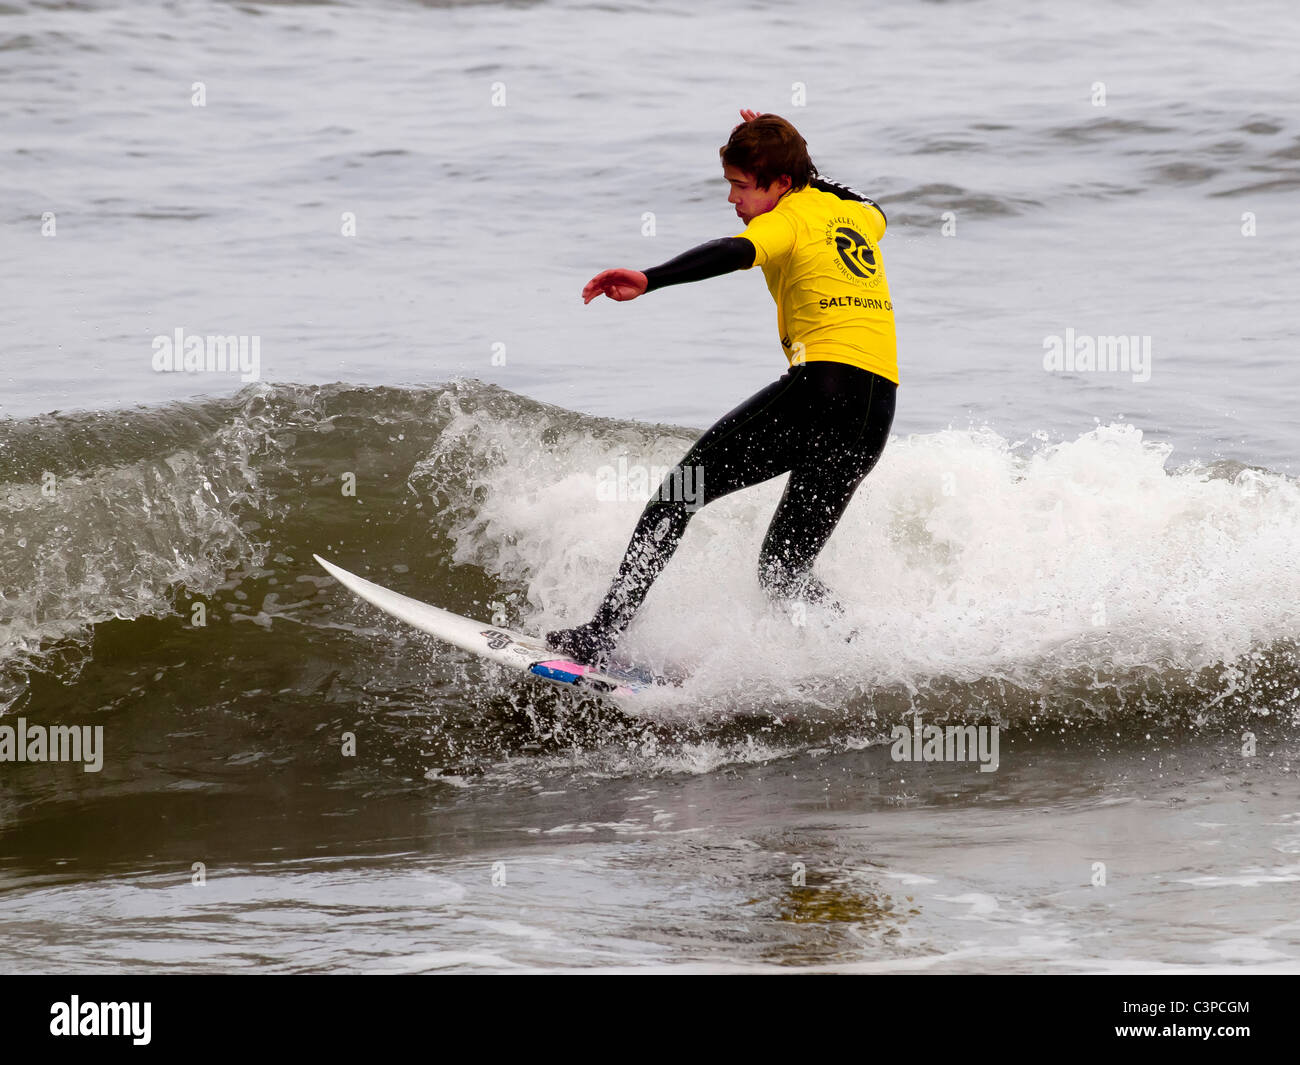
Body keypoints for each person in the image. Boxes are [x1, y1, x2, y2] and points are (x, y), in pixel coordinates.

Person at [546, 110, 898, 668]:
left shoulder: (787, 220)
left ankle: (602, 634)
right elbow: (872, 204)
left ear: (780, 185)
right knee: (784, 568)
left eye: (741, 185)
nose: (733, 199)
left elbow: (733, 251)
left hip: (824, 387)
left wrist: (650, 278)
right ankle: (863, 661)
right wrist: (797, 160)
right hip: (874, 412)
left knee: (676, 496)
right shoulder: (857, 216)